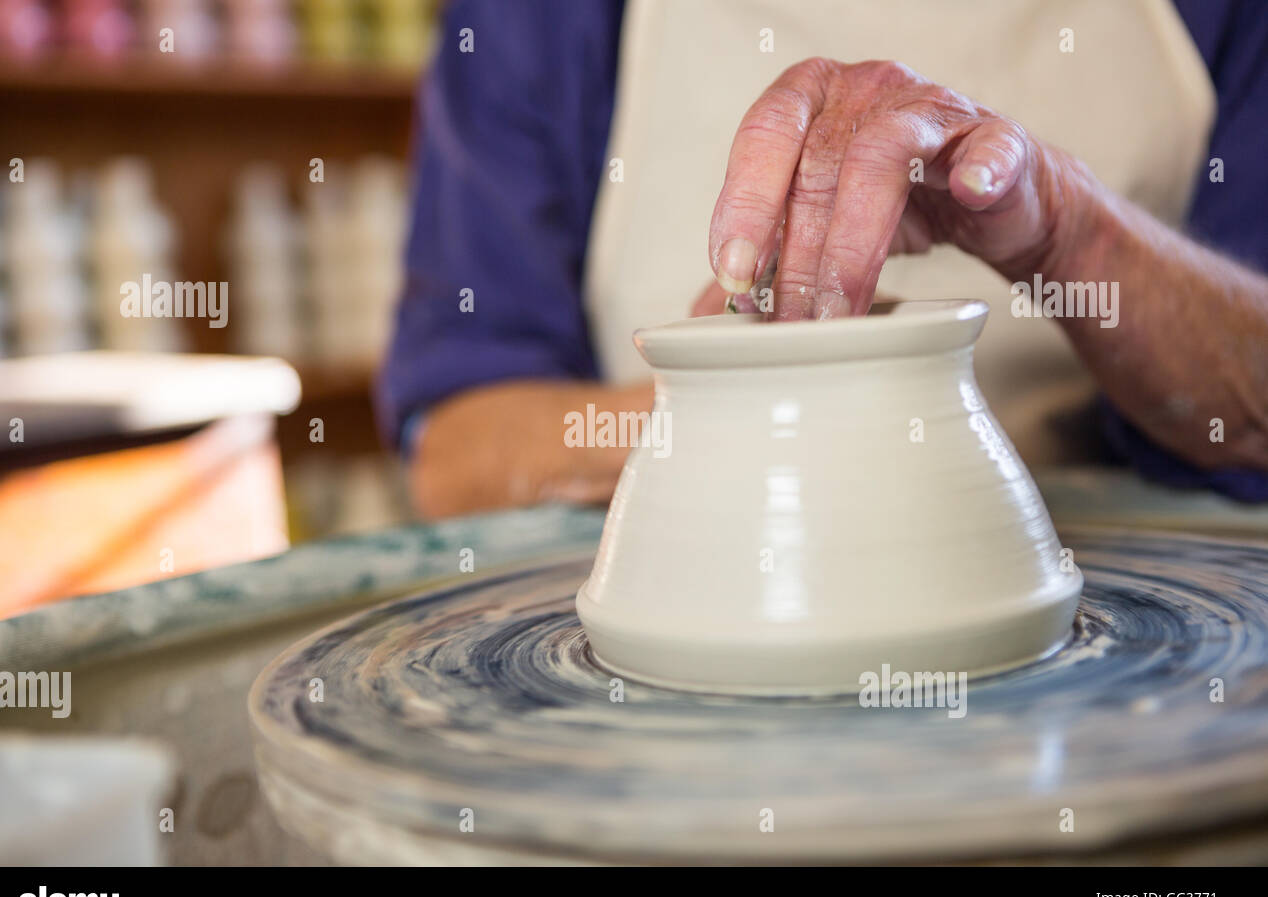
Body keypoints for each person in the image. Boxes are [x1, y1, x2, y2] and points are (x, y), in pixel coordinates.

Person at [376, 0, 1268, 518]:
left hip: (1095, 624)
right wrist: (737, 404)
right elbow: (458, 448)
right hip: (705, 640)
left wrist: (1069, 230)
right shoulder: (542, 19)